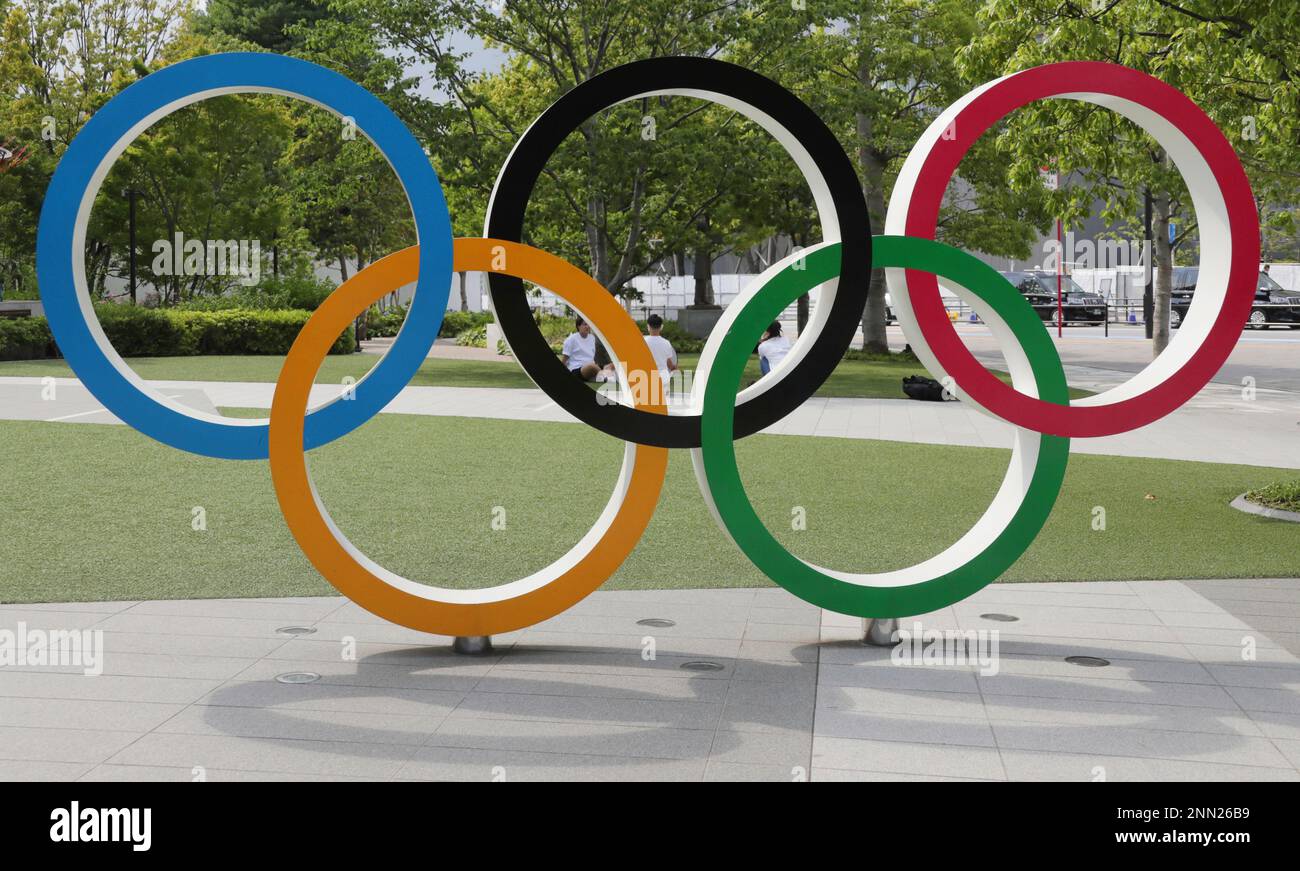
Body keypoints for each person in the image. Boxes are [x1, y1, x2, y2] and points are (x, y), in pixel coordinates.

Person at [561, 316, 602, 381]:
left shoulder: (592, 338)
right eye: (585, 324)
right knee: (591, 366)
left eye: (588, 324)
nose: (587, 326)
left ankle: (604, 376)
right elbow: (564, 359)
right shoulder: (571, 339)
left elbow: (594, 357)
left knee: (609, 365)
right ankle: (605, 377)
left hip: (591, 368)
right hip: (576, 369)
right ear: (578, 326)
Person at [643, 314, 678, 385]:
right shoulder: (666, 343)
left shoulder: (643, 342)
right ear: (661, 327)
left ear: (648, 327)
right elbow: (669, 364)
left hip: (647, 377)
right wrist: (674, 368)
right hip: (663, 377)